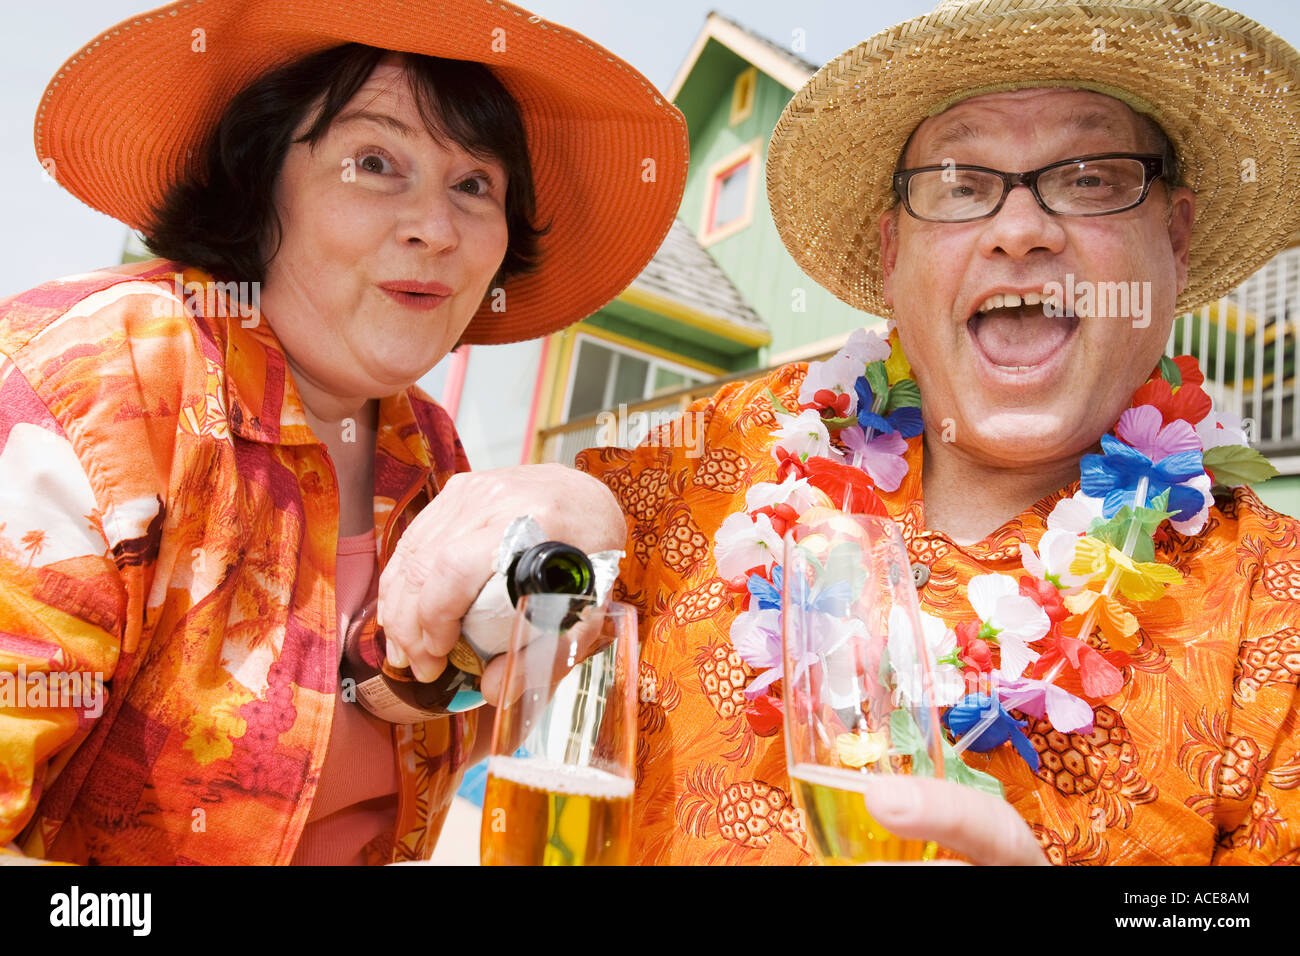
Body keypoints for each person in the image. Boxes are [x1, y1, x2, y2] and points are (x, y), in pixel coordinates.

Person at [577, 0, 1300, 865]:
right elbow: (465, 655)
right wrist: (538, 515)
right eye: (960, 183)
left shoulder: (1275, 605)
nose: (1022, 231)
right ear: (890, 252)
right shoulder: (726, 452)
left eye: (1090, 177)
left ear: (1174, 238)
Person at [0, 0, 683, 864]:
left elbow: (391, 689)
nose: (435, 229)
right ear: (256, 180)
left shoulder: (430, 451)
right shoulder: (107, 372)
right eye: (374, 161)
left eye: (474, 185)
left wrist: (576, 526)